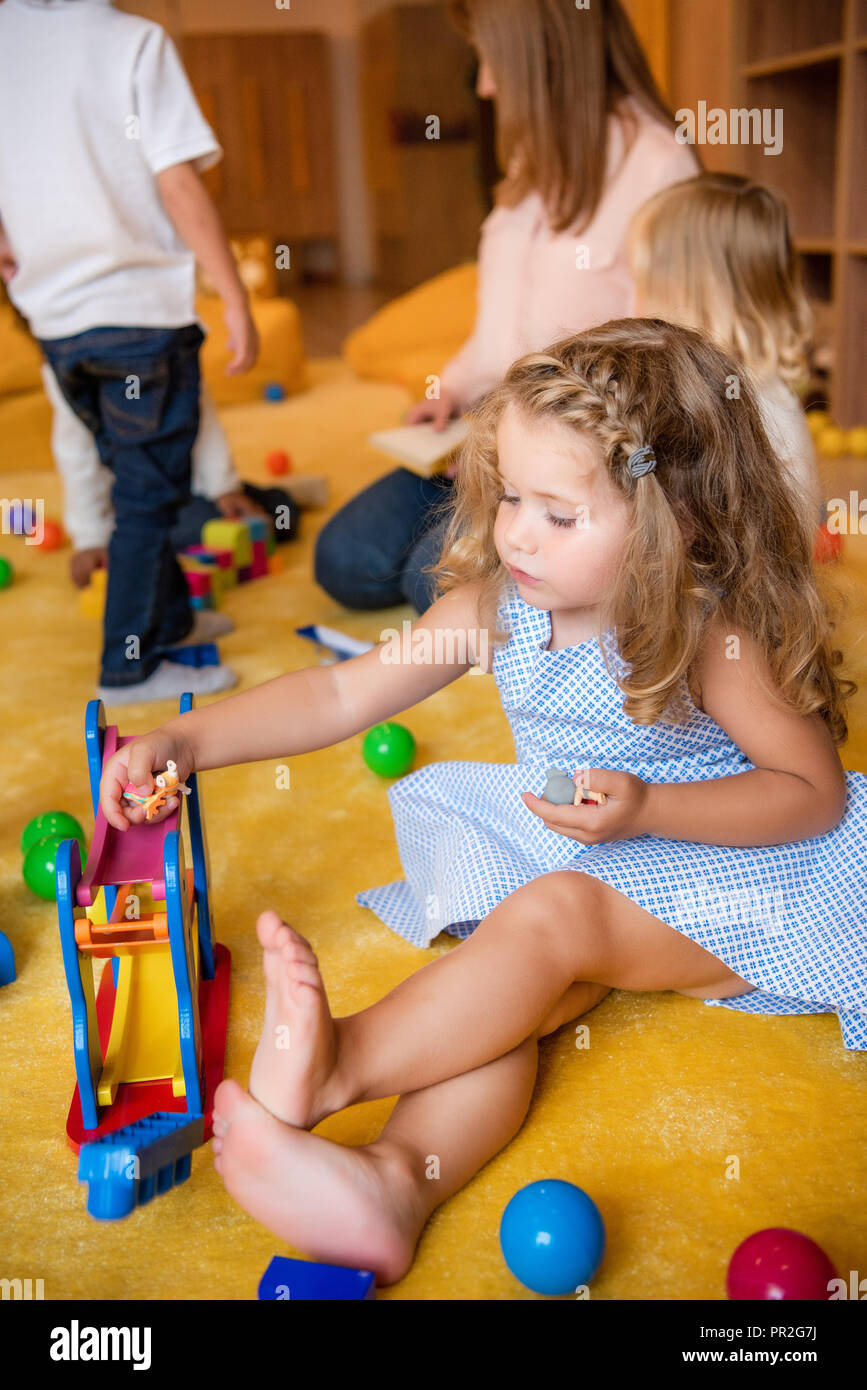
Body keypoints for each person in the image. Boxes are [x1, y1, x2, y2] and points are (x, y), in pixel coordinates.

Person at [98, 319, 867, 1282]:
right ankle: (393, 1186)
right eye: (509, 495)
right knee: (503, 990)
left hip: (737, 874)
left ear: (672, 515)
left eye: (558, 513)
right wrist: (185, 740)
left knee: (549, 917)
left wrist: (647, 812)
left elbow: (814, 795)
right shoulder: (495, 606)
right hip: (590, 843)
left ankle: (341, 1064)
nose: (516, 533)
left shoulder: (707, 632)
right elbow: (341, 692)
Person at [314, 0, 698, 615]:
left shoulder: (659, 167)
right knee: (344, 560)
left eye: (493, 63)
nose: (486, 86)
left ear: (546, 61)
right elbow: (498, 328)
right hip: (477, 441)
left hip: (562, 464)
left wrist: (523, 457)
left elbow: (666, 377)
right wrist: (454, 387)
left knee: (429, 584)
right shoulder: (531, 165)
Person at [0, 0, 258, 703]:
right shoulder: (132, 42)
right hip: (138, 319)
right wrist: (233, 294)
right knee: (149, 497)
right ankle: (129, 666)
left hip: (55, 324)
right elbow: (178, 182)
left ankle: (167, 620)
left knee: (136, 476)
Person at [627, 171, 821, 540]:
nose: (631, 302)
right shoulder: (759, 387)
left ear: (686, 297)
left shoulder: (719, 402)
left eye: (641, 285)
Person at [38, 365, 298, 593]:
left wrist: (224, 487)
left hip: (189, 489)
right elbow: (78, 457)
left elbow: (201, 417)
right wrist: (91, 538)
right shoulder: (70, 369)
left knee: (277, 520)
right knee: (157, 549)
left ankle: (279, 497)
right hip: (133, 505)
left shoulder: (167, 343)